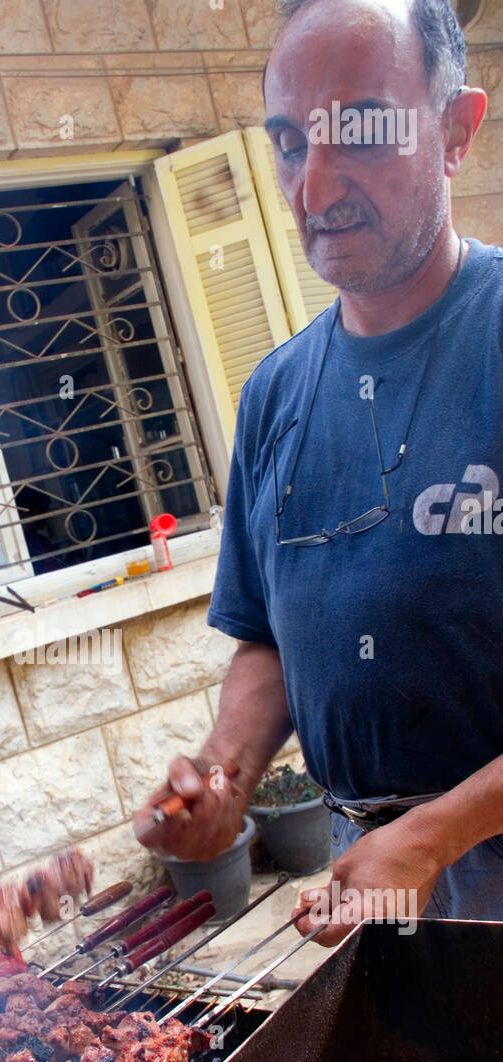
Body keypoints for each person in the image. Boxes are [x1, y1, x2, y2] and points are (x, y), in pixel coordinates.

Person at [134, 0, 503, 946]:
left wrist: (435, 835)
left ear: (457, 132)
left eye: (363, 134)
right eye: (291, 143)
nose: (316, 187)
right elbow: (270, 638)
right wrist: (226, 775)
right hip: (367, 882)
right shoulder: (275, 396)